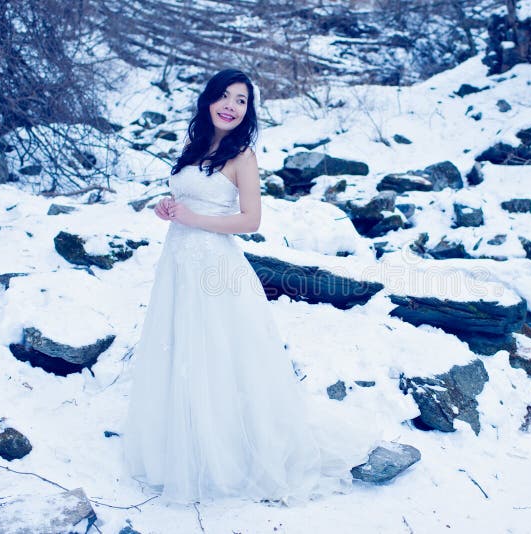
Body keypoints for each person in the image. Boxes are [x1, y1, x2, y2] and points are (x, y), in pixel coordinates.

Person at [121, 69, 372, 506]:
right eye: (224, 96)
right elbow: (187, 197)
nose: (231, 106)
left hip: (215, 266)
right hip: (178, 262)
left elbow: (251, 220)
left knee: (218, 353)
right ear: (208, 100)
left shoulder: (243, 156)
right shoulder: (194, 146)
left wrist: (195, 218)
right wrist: (169, 207)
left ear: (248, 110)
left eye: (241, 100)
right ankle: (183, 441)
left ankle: (226, 453)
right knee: (180, 348)